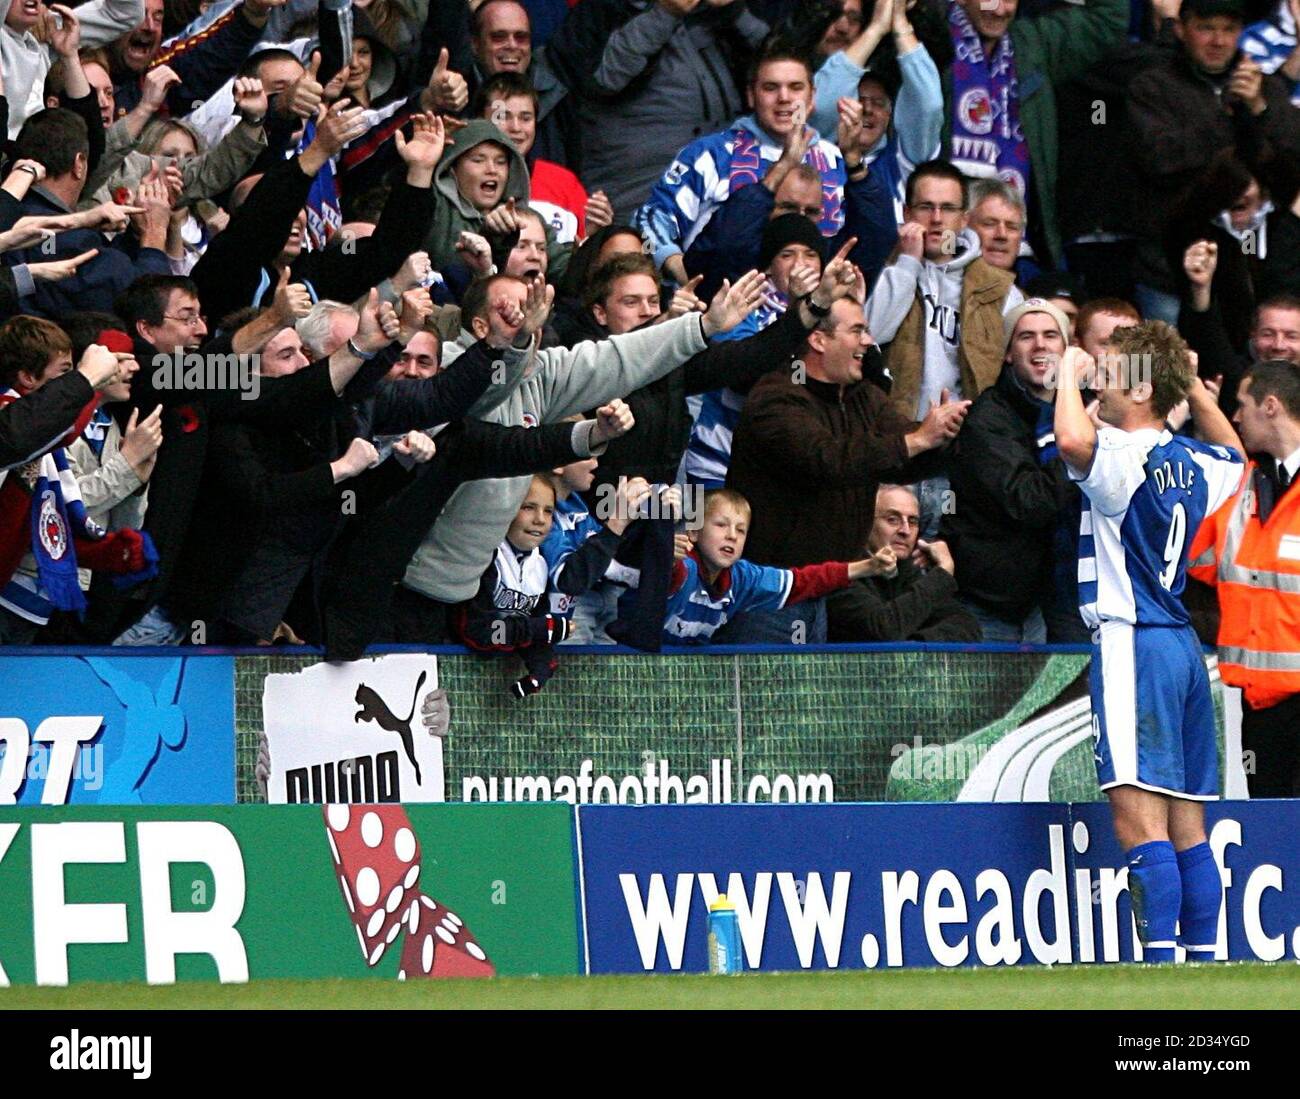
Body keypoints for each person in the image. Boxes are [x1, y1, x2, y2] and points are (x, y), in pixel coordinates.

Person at [1054, 322, 1245, 962]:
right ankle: (1206, 962)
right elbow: (1238, 457)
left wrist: (1064, 372)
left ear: (1139, 386)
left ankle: (1161, 966)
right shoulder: (1191, 461)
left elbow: (1069, 437)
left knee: (1139, 820)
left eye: (1109, 370)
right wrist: (1189, 382)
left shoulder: (1120, 455)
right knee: (1188, 824)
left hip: (1132, 638)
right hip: (1185, 648)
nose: (1097, 380)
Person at [723, 294, 968, 643]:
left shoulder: (861, 397)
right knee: (766, 694)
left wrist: (944, 436)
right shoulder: (775, 397)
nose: (868, 341)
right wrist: (917, 440)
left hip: (828, 589)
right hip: (770, 594)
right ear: (818, 339)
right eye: (857, 330)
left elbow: (899, 455)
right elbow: (827, 460)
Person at [1127, 0, 1300, 324]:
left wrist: (1260, 108)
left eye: (1228, 29)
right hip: (1170, 271)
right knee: (1163, 370)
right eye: (1206, 28)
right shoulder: (1151, 86)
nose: (1218, 41)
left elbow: (1292, 159)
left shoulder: (1263, 87)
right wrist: (1227, 113)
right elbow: (1159, 160)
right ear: (1180, 29)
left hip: (1256, 269)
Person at [634, 45, 847, 287]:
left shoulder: (835, 159)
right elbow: (646, 222)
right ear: (750, 95)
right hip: (720, 310)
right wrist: (681, 271)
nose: (784, 97)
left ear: (812, 96)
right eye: (771, 87)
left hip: (805, 314)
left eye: (796, 87)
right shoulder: (710, 154)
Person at [545, 0, 773, 222]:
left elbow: (785, 68)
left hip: (720, 189)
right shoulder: (601, 10)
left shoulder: (722, 13)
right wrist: (664, 14)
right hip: (637, 194)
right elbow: (603, 77)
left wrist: (735, 12)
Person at [942, 0, 1127, 268]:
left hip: (1024, 248)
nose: (999, 9)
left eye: (1009, 0)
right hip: (945, 245)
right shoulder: (932, 37)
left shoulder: (1032, 43)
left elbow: (1109, 18)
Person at [941, 298, 1083, 642]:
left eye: (1051, 335)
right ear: (1007, 353)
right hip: (991, 602)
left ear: (1067, 351)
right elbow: (1029, 500)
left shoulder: (1084, 409)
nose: (1040, 345)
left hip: (1053, 601)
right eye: (1026, 337)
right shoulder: (988, 417)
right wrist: (1080, 450)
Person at [1190, 361, 1300, 797]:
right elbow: (1194, 557)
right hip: (1260, 709)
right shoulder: (1245, 487)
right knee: (1273, 839)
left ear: (1270, 406)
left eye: (1243, 405)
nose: (1236, 415)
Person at [646, 486, 897, 644]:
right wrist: (666, 557)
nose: (732, 535)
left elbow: (804, 580)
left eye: (741, 530)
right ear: (693, 533)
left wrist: (867, 567)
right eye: (721, 525)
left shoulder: (742, 578)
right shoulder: (684, 568)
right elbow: (668, 575)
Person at [826, 483, 980, 641]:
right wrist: (943, 573)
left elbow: (967, 625)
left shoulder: (907, 568)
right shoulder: (841, 571)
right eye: (892, 519)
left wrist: (915, 649)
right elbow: (884, 628)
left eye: (913, 521)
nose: (905, 530)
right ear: (865, 523)